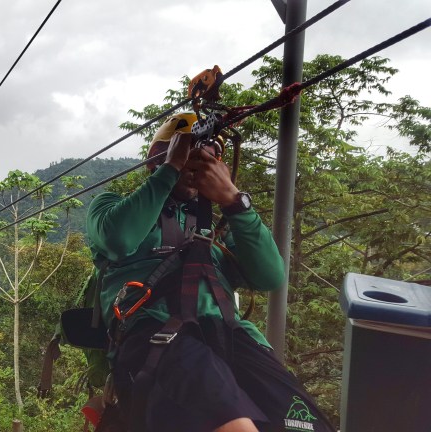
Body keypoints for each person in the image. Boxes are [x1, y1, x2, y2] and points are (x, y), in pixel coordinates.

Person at [86, 112, 334, 432]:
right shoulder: (109, 206)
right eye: (188, 156)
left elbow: (270, 276)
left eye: (208, 160)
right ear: (154, 160)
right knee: (233, 424)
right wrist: (170, 168)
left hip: (228, 334)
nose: (196, 167)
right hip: (155, 333)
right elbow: (118, 239)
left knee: (302, 422)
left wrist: (233, 201)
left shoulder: (214, 232)